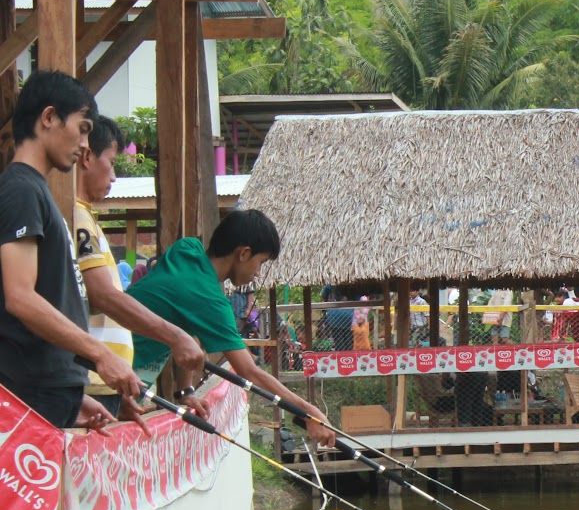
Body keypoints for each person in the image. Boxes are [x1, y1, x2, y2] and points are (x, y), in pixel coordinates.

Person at [0, 71, 141, 429]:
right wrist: (100, 354)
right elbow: (19, 297)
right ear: (49, 118)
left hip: (50, 393)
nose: (84, 144)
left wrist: (74, 393)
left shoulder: (39, 192)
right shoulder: (21, 191)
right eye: (82, 128)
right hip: (28, 394)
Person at [126, 209, 335, 451]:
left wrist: (185, 391)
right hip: (113, 382)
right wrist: (308, 412)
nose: (258, 273)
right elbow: (250, 372)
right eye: (261, 262)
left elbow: (185, 317)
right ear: (244, 253)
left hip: (101, 359)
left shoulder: (186, 249)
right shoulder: (211, 301)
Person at [73, 115, 207, 418]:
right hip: (91, 382)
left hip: (104, 386)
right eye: (111, 162)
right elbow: (102, 295)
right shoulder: (76, 216)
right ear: (86, 156)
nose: (114, 177)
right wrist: (177, 337)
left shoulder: (86, 217)